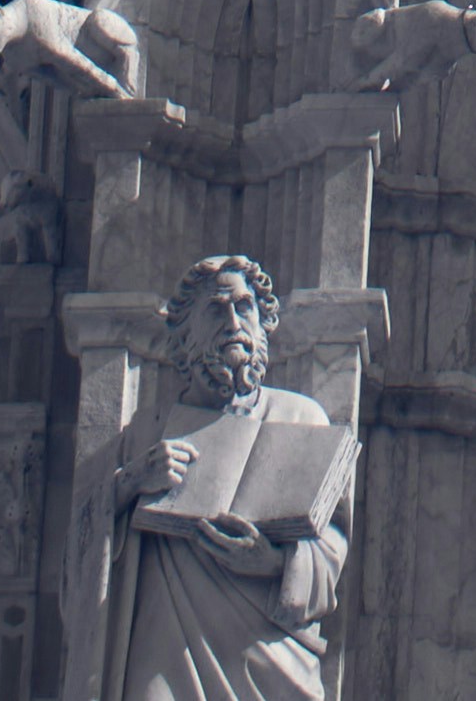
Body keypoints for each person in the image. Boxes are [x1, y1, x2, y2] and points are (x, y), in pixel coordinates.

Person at [93, 257, 351, 701]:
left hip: (267, 653)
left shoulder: (301, 417)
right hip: (167, 650)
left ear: (263, 322)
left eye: (245, 306)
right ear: (185, 334)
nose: (234, 322)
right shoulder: (147, 433)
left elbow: (333, 545)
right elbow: (85, 557)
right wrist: (131, 481)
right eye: (216, 310)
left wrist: (273, 562)